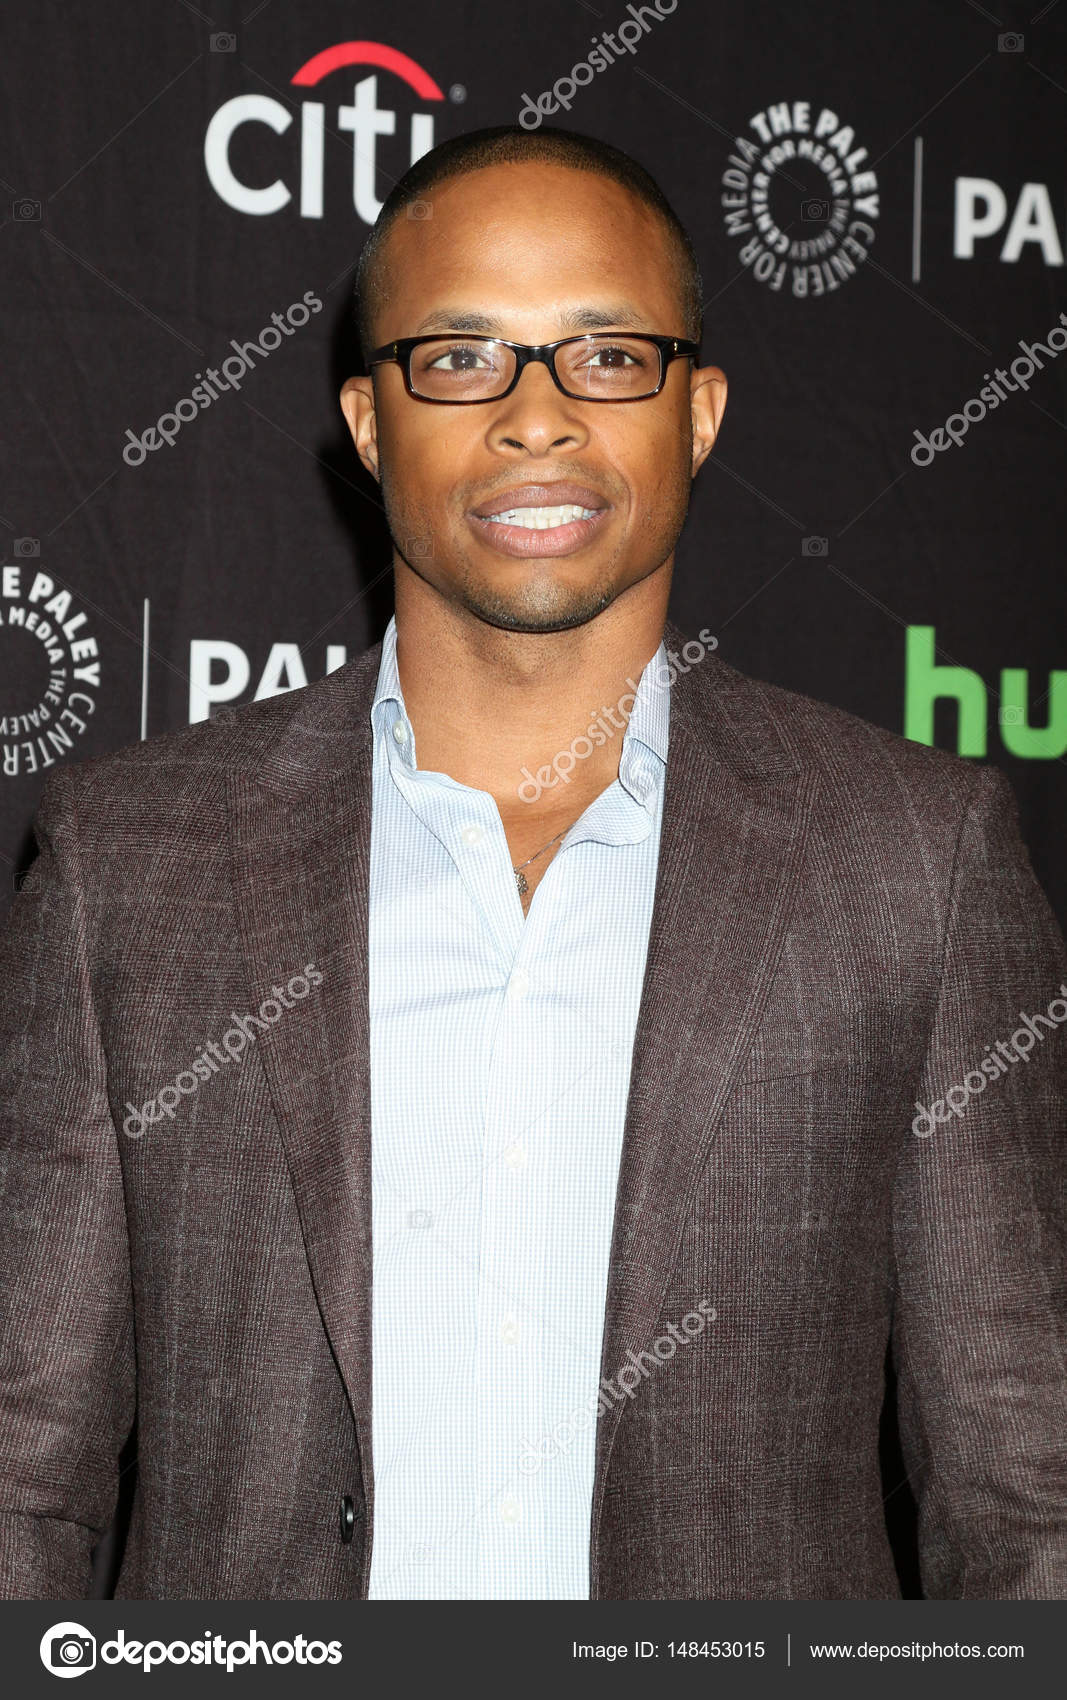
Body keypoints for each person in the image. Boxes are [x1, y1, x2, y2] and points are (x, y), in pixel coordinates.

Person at [0, 124, 1064, 1603]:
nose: (537, 419)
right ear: (370, 424)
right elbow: (21, 1478)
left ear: (697, 414)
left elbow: (1028, 1505)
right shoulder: (129, 865)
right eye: (461, 358)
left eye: (606, 356)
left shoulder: (913, 860)